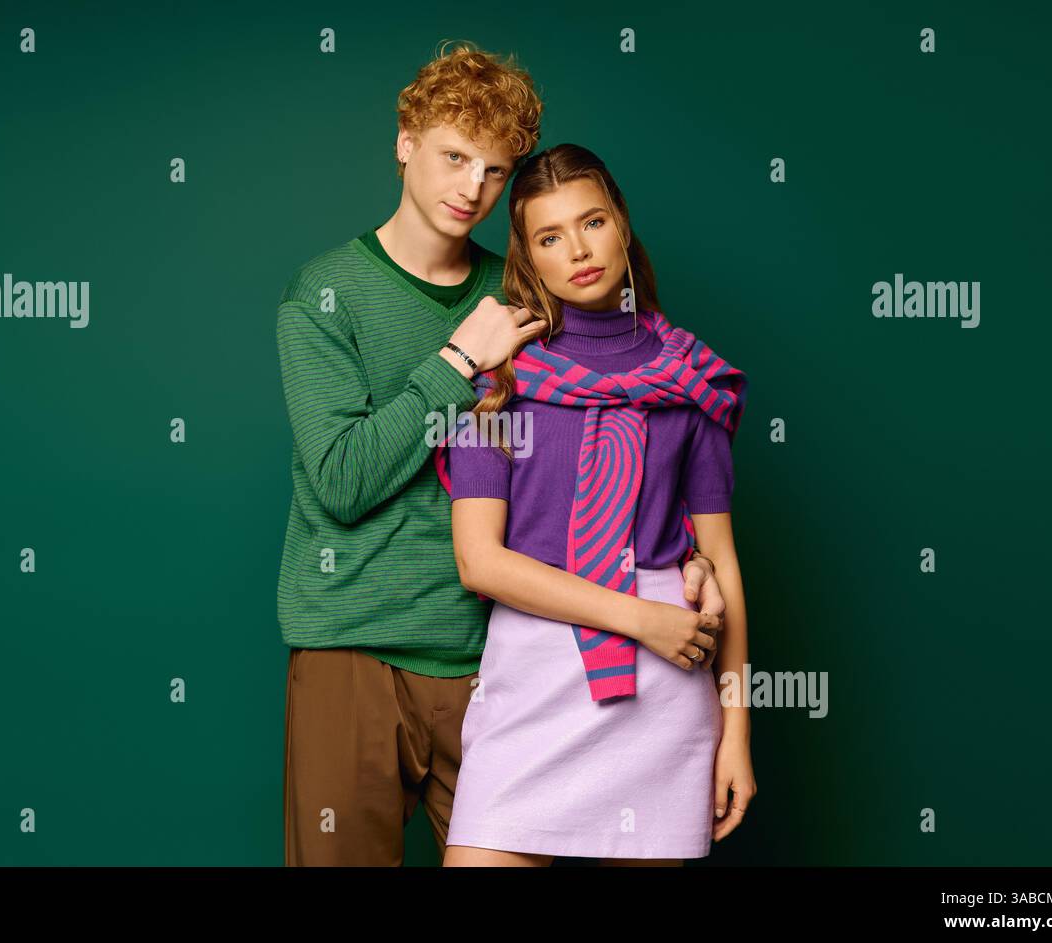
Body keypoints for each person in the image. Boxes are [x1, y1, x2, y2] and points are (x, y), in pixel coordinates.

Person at [277, 42, 727, 866]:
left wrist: (685, 556)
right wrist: (455, 363)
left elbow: (614, 438)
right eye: (454, 158)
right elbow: (341, 481)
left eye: (493, 171)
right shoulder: (327, 294)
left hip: (498, 656)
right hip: (355, 647)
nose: (471, 189)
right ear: (405, 142)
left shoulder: (528, 288)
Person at [438, 143, 755, 866]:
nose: (578, 250)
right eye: (551, 237)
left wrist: (737, 734)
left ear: (622, 225)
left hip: (665, 693)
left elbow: (725, 569)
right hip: (535, 673)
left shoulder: (688, 375)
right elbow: (479, 563)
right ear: (529, 256)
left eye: (593, 223)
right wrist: (639, 618)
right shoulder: (501, 378)